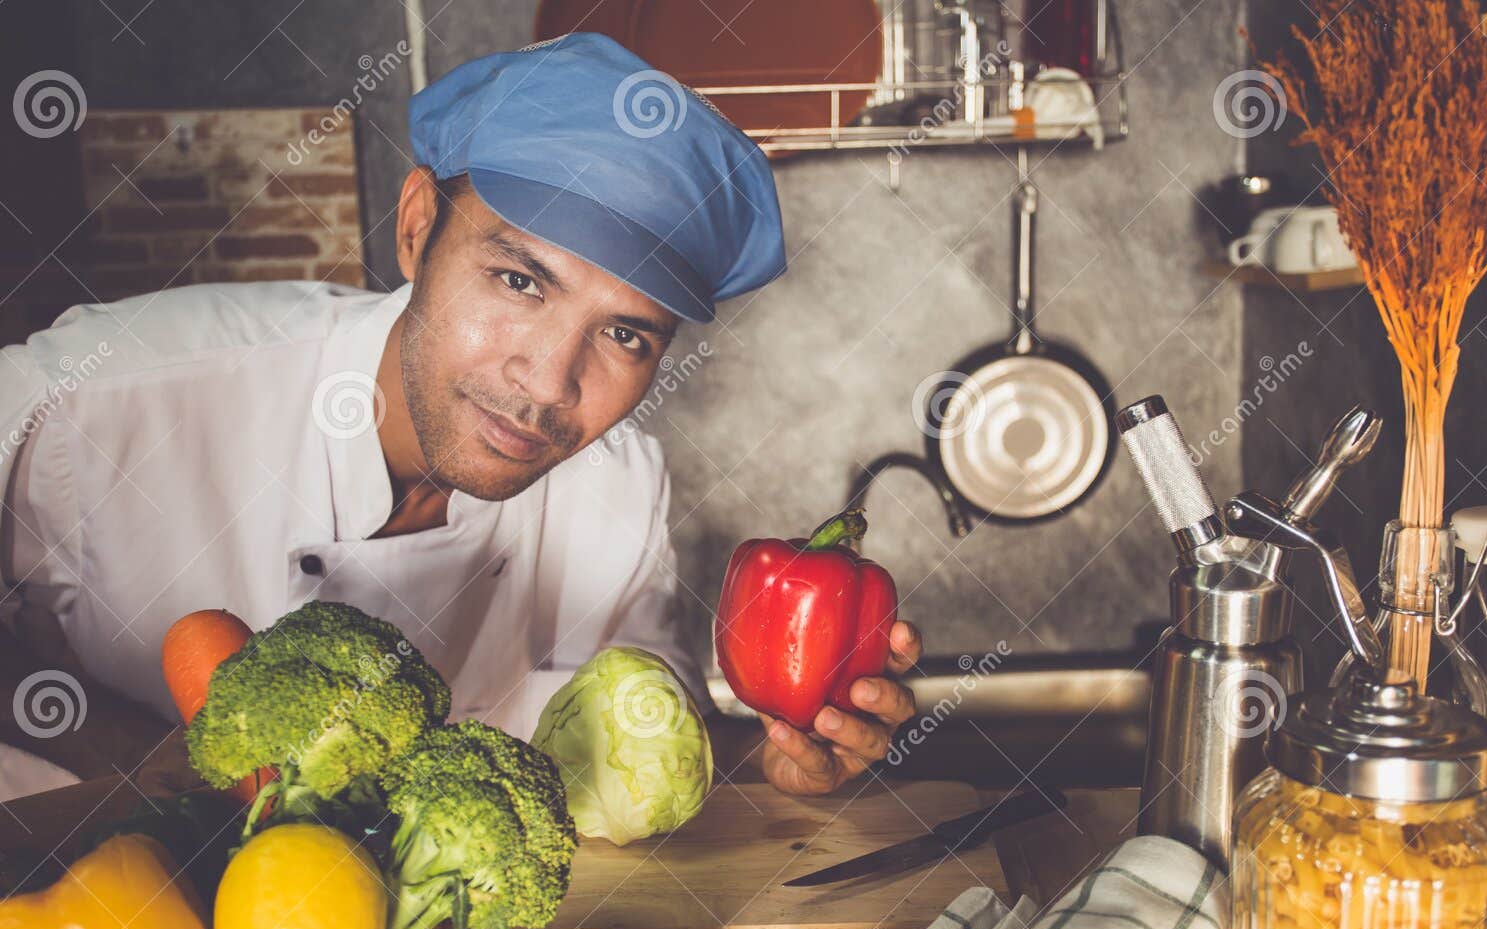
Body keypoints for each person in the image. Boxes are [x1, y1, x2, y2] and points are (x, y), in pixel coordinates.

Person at [0, 33, 919, 796]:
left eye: (625, 336)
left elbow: (651, 732)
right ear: (416, 228)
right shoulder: (99, 397)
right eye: (519, 281)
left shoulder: (619, 487)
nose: (549, 383)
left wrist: (779, 758)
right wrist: (141, 768)